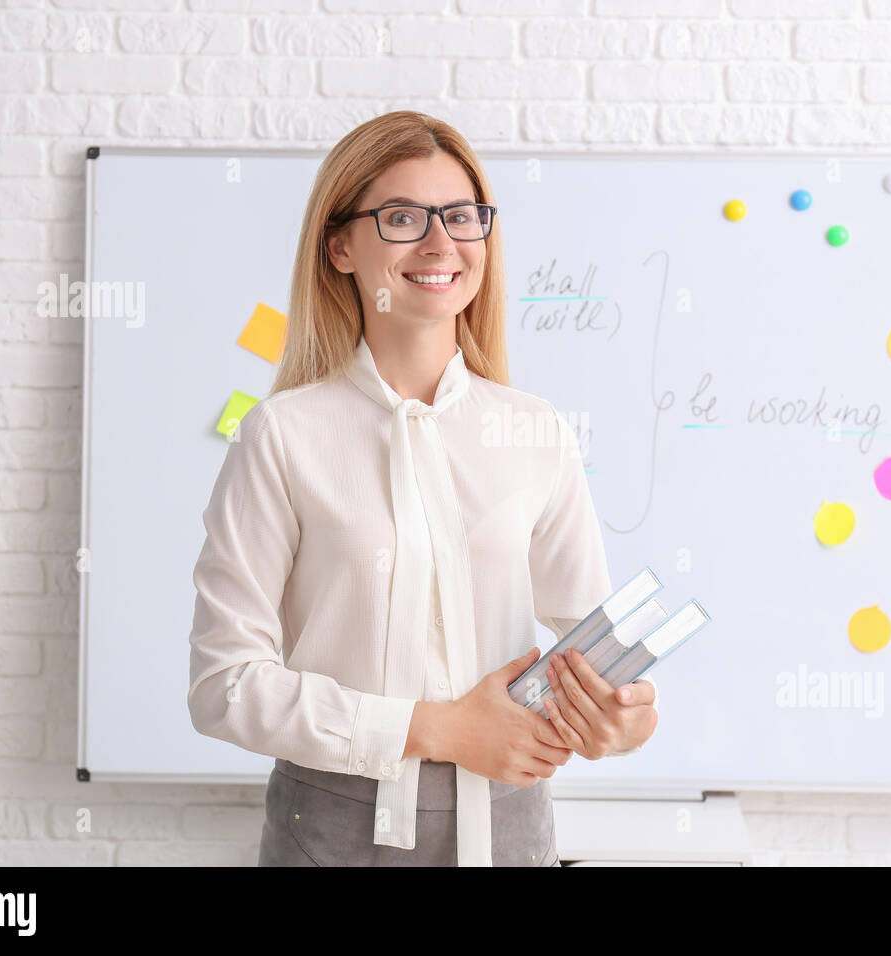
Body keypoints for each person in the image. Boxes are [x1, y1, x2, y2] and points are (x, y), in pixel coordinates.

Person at [187, 110, 659, 867]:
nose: (442, 243)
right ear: (339, 246)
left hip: (509, 830)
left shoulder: (535, 431)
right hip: (331, 832)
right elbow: (225, 686)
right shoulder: (282, 436)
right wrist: (439, 727)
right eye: (403, 217)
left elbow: (593, 657)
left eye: (462, 216)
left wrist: (623, 721)